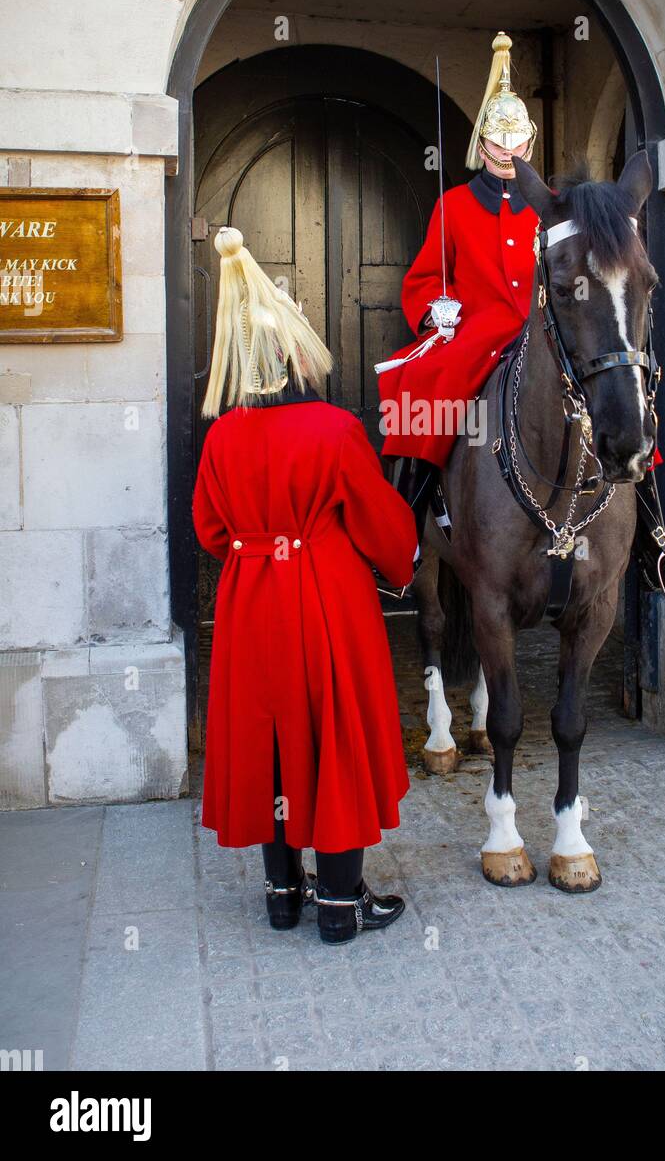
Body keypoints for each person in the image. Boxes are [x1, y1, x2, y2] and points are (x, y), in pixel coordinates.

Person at [377, 31, 665, 597]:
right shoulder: (453, 207)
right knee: (427, 385)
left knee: (620, 390)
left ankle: (655, 535)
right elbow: (425, 278)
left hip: (548, 327)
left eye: (518, 146)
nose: (510, 156)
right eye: (500, 147)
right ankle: (410, 520)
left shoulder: (556, 204)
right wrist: (437, 309)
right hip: (477, 330)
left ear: (528, 145)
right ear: (484, 148)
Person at [192, 226, 418, 944]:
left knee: (275, 746)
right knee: (334, 741)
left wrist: (257, 551)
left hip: (250, 603)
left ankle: (282, 894)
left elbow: (208, 530)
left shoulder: (222, 435)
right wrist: (400, 563)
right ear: (293, 353)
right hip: (326, 600)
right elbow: (383, 527)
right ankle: (342, 907)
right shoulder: (334, 429)